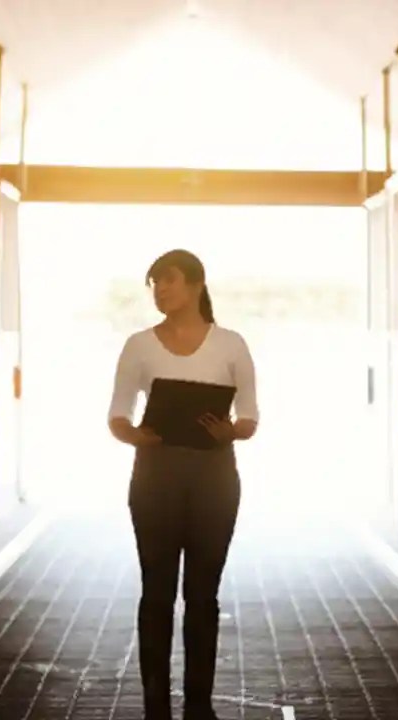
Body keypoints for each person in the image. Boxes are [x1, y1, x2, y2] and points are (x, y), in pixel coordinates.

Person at [107, 249, 259, 720]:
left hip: (214, 475)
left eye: (168, 281)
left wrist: (229, 430)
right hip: (155, 473)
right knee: (156, 593)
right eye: (153, 283)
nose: (160, 290)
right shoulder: (138, 345)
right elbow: (117, 415)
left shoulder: (231, 344)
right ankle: (156, 703)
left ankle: (199, 703)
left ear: (196, 285)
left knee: (202, 595)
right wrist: (135, 435)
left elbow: (250, 418)